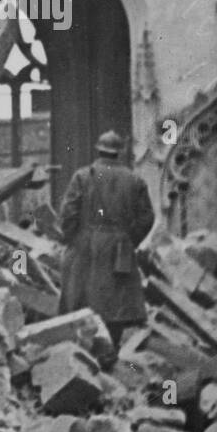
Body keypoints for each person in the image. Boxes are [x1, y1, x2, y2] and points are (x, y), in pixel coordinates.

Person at [58, 130, 155, 351]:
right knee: (116, 307)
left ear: (99, 150)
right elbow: (147, 217)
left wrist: (73, 238)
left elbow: (68, 214)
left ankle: (87, 354)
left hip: (86, 247)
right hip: (120, 248)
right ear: (119, 153)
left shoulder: (83, 176)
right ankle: (113, 351)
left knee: (82, 303)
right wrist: (130, 239)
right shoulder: (135, 179)